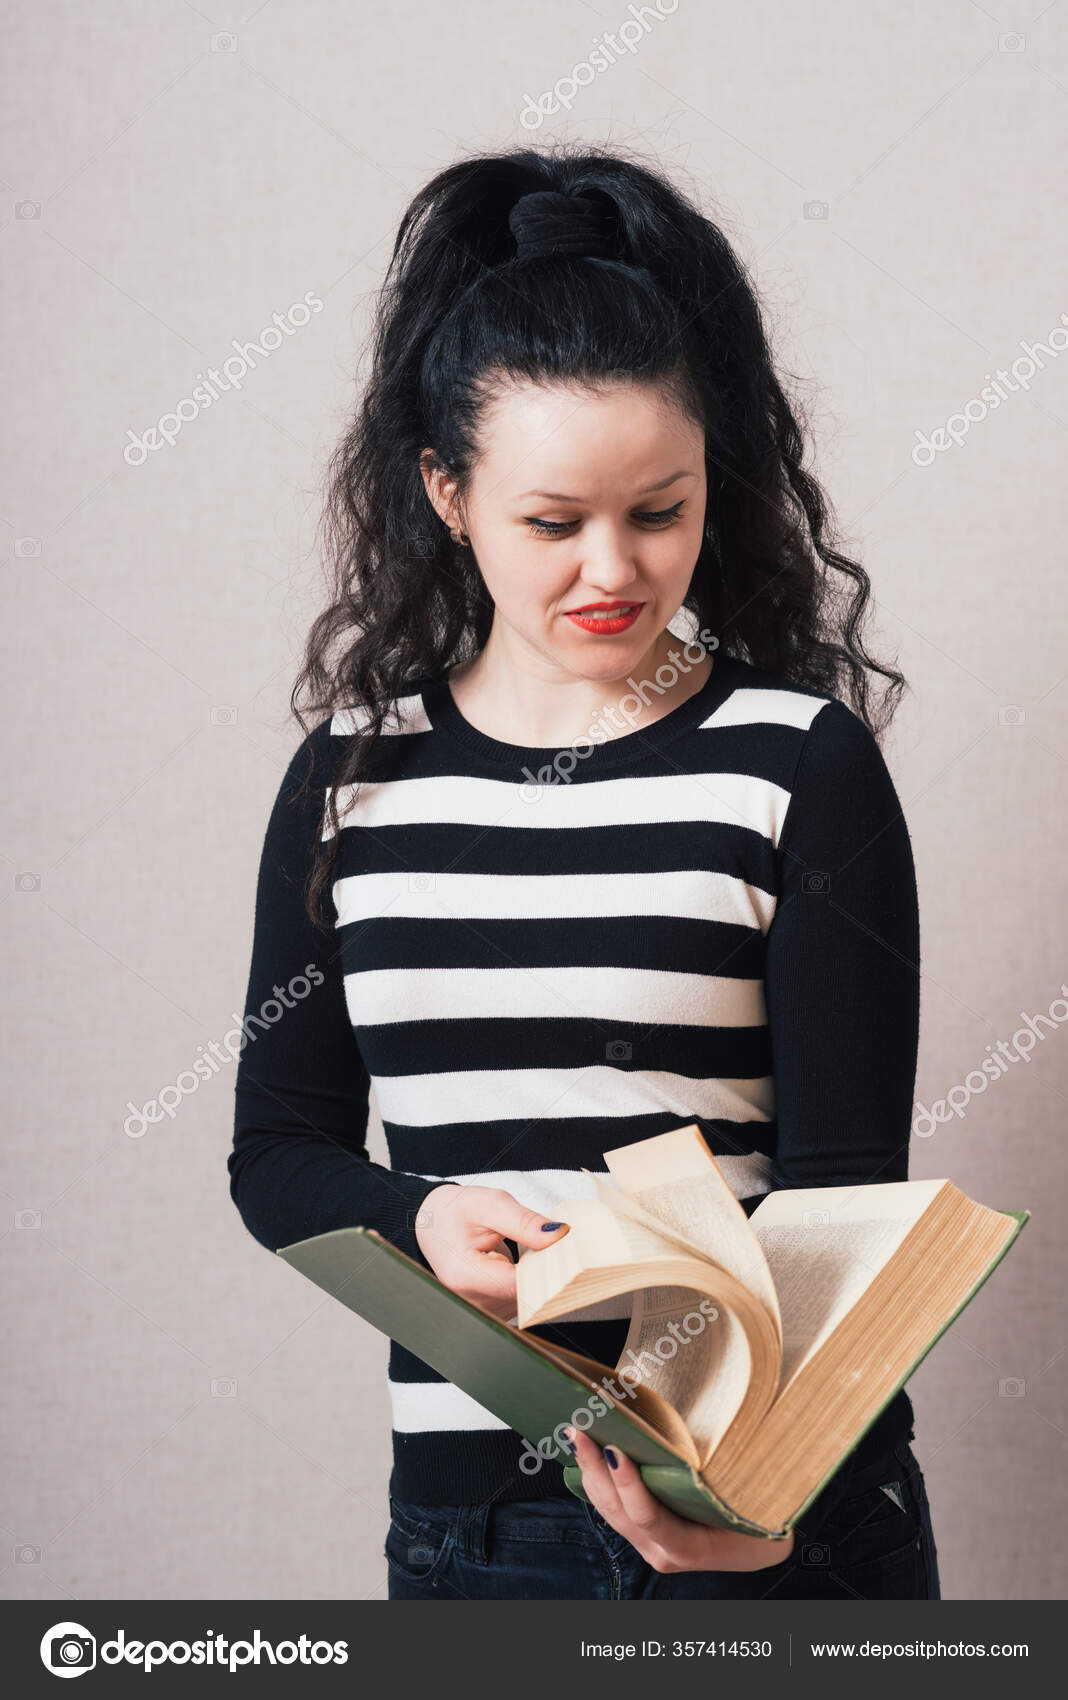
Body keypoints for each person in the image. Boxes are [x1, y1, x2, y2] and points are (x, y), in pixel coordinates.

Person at [227, 144, 940, 1601]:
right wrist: (414, 1218)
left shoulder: (796, 761)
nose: (610, 570)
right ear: (446, 492)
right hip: (477, 1536)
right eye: (551, 524)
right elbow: (275, 1156)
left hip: (776, 1516)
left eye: (658, 511)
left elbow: (842, 1203)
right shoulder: (350, 780)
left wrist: (764, 1502)